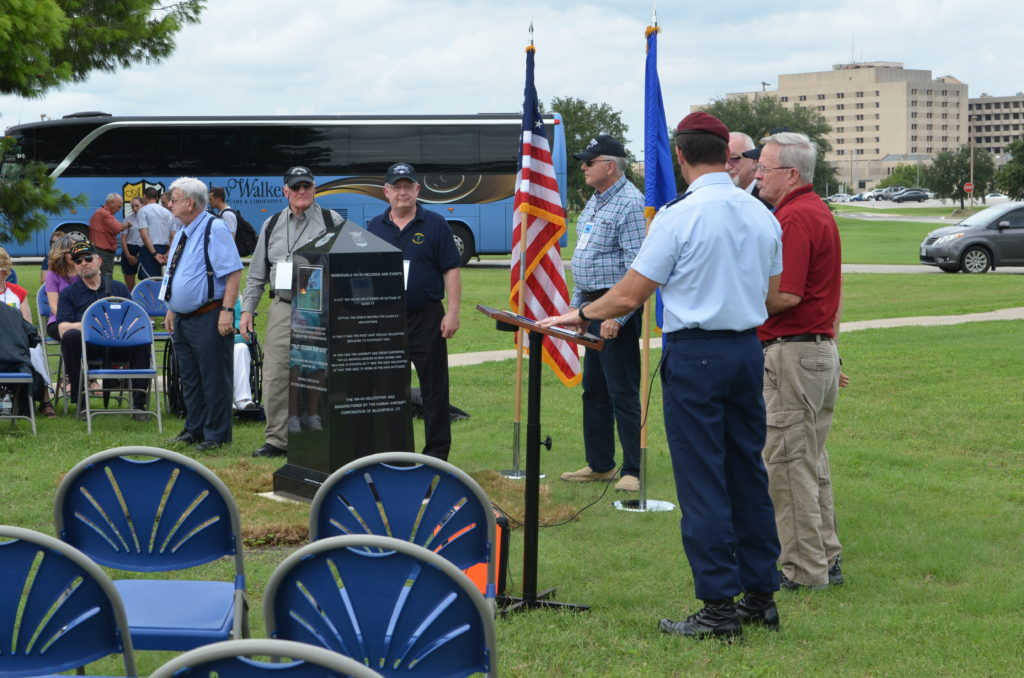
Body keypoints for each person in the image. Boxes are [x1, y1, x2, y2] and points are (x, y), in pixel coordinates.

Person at [540, 112, 784, 640]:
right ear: (728, 157)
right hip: (746, 350)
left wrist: (579, 314)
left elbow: (631, 293)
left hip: (698, 354)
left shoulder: (677, 216)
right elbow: (770, 295)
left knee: (702, 481)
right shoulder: (762, 214)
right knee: (747, 472)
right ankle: (760, 596)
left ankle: (718, 608)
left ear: (680, 155)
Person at [753, 131, 844, 591]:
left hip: (793, 351)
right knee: (809, 460)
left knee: (788, 464)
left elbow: (786, 295)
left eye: (764, 168)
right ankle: (825, 557)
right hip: (814, 351)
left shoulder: (795, 217)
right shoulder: (814, 210)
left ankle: (804, 570)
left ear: (791, 173)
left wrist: (740, 303)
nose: (757, 175)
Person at [558, 135, 645, 492]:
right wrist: (577, 309)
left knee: (622, 391)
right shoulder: (596, 200)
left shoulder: (630, 204)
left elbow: (636, 268)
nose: (583, 167)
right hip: (592, 306)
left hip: (616, 309)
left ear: (610, 166)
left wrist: (617, 317)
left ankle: (633, 470)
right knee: (594, 389)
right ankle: (600, 464)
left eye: (589, 162)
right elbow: (586, 259)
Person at [240, 166, 346, 458]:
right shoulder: (272, 223)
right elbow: (256, 274)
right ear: (285, 191)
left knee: (320, 368)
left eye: (307, 186)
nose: (302, 191)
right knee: (276, 371)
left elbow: (346, 267)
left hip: (319, 307)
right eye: (296, 187)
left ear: (314, 188)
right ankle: (277, 439)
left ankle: (321, 429)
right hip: (283, 306)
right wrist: (247, 311)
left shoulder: (331, 221)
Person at [367, 162, 461, 461]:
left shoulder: (436, 224)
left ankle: (436, 455)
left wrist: (453, 313)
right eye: (397, 187)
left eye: (408, 186)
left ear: (418, 189)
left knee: (434, 389)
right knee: (388, 389)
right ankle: (393, 453)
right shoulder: (374, 227)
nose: (403, 192)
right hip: (387, 319)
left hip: (427, 317)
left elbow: (451, 269)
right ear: (386, 192)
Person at [161, 177, 243, 451]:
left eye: (174, 199)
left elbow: (233, 272)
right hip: (184, 318)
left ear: (190, 203)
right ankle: (194, 429)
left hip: (209, 314)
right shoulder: (183, 230)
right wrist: (172, 308)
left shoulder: (214, 228)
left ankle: (215, 435)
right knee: (190, 378)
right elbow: (174, 272)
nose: (170, 204)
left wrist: (227, 311)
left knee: (214, 377)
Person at [55, 240, 149, 419]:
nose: (83, 264)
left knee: (141, 340)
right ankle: (80, 401)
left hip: (119, 343)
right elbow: (62, 328)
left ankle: (139, 405)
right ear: (75, 266)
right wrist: (93, 325)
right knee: (70, 337)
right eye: (78, 261)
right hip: (89, 345)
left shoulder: (118, 288)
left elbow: (135, 320)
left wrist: (118, 327)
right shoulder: (69, 293)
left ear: (99, 261)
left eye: (88, 259)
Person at [0, 248, 56, 417]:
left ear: (4, 271)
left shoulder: (17, 292)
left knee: (35, 350)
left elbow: (27, 324)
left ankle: (45, 399)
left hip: (16, 342)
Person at [137, 187, 176, 278]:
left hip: (149, 250)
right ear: (157, 197)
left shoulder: (142, 211)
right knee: (164, 282)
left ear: (144, 196)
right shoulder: (169, 213)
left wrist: (154, 253)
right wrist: (168, 254)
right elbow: (173, 236)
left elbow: (144, 235)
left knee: (149, 282)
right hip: (166, 250)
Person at [88, 193, 125, 279]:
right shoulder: (104, 214)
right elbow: (117, 228)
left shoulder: (99, 212)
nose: (119, 209)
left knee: (99, 277)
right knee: (106, 277)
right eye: (119, 206)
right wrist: (127, 224)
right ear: (111, 202)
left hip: (98, 250)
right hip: (104, 252)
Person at [120, 197, 145, 291]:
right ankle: (131, 298)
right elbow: (123, 239)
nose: (134, 208)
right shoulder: (128, 219)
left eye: (137, 206)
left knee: (146, 280)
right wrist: (128, 256)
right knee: (130, 284)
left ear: (143, 205)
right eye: (132, 206)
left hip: (144, 249)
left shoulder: (149, 218)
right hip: (130, 249)